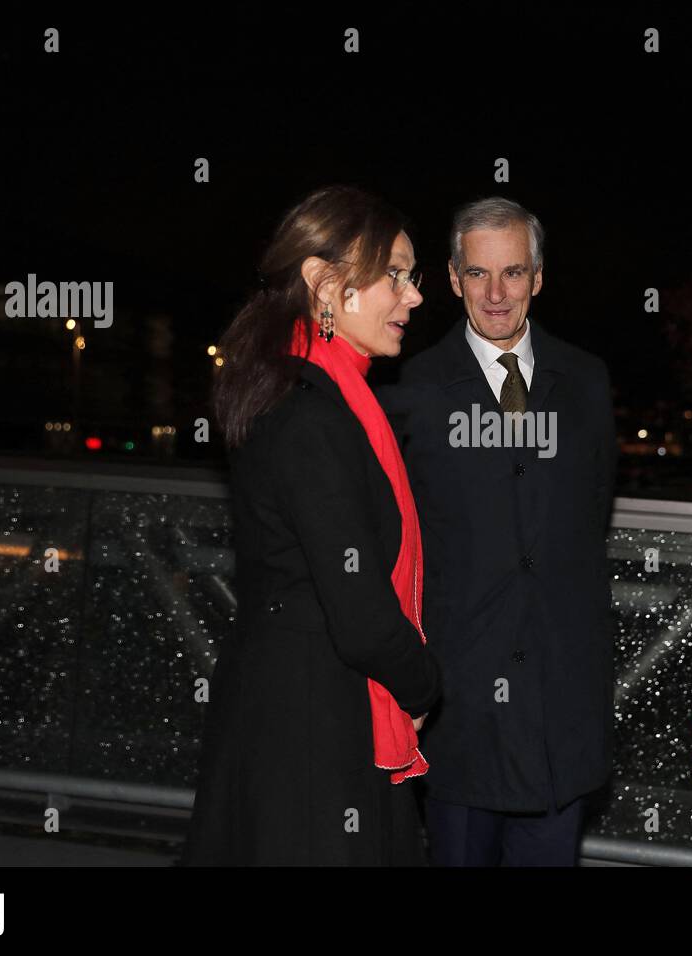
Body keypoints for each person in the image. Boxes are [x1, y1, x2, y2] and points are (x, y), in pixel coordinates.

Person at [182, 185, 441, 865]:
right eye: (394, 274)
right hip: (312, 725)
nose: (413, 296)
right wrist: (423, 685)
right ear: (325, 285)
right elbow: (358, 612)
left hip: (301, 705)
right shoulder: (313, 416)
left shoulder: (315, 394)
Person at [381, 197, 617, 866]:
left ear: (538, 277)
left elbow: (590, 514)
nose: (495, 293)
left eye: (513, 272)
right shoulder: (412, 385)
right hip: (459, 701)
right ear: (452, 279)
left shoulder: (587, 381)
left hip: (560, 699)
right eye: (477, 274)